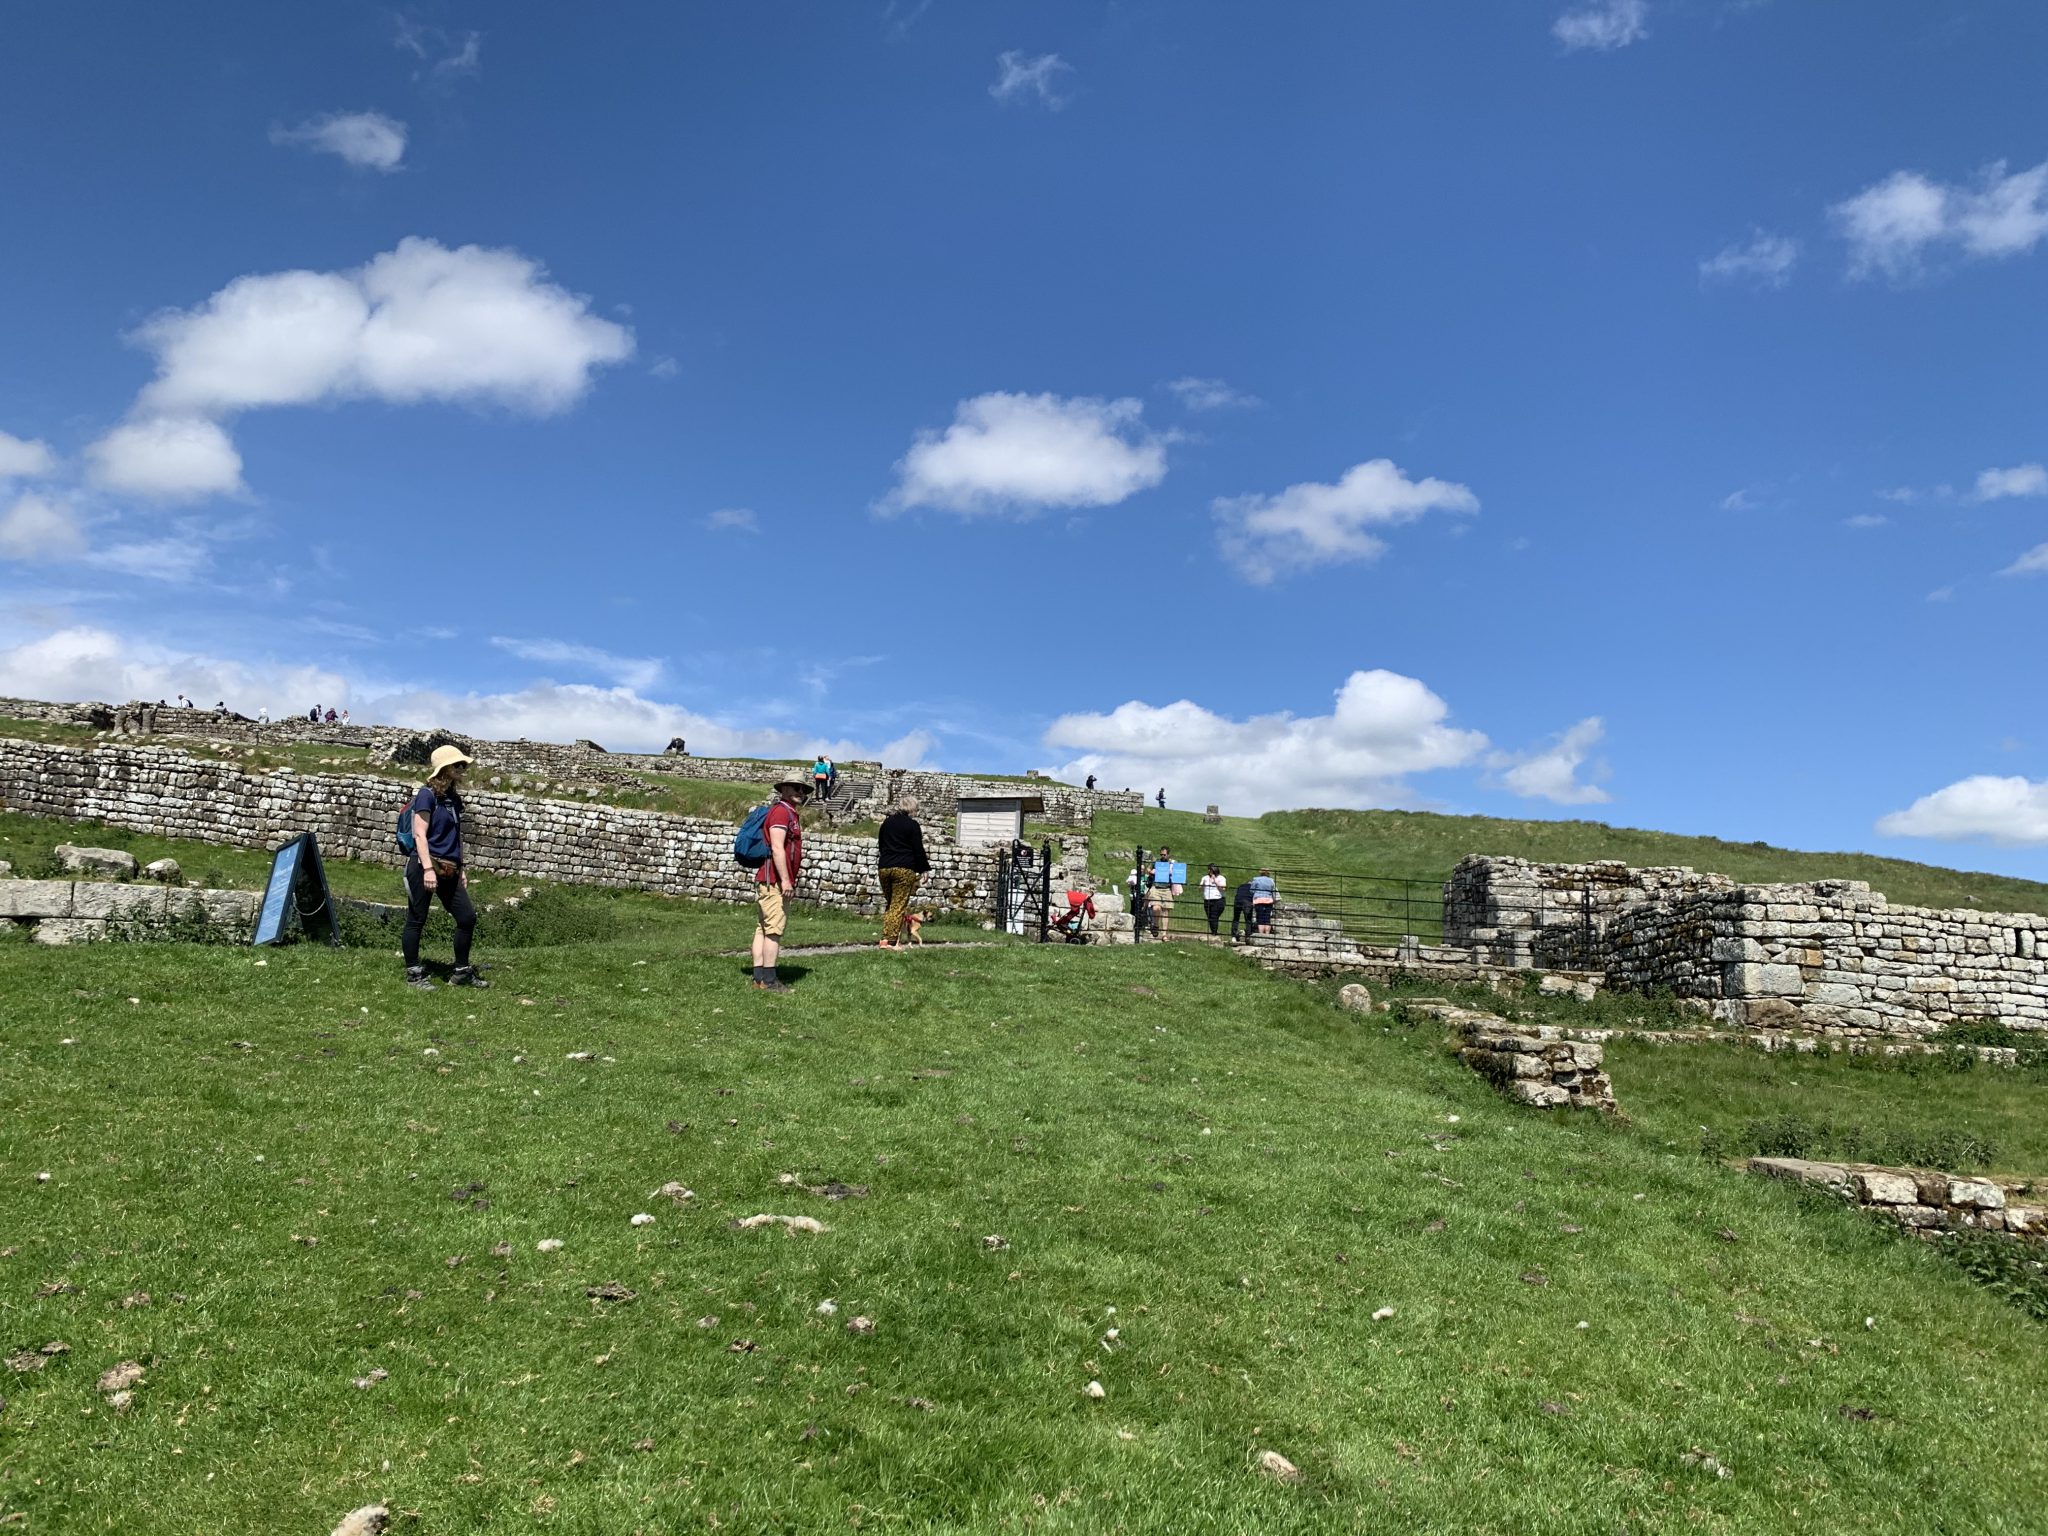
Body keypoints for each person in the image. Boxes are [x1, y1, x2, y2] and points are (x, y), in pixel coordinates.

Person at [403, 744, 488, 990]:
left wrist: (462, 868)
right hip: (426, 866)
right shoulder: (426, 795)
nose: (463, 769)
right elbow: (420, 834)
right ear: (445, 769)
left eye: (463, 765)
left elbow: (456, 835)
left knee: (467, 917)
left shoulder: (452, 798)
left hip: (450, 868)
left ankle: (461, 972)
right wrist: (428, 869)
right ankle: (414, 974)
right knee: (417, 919)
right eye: (458, 765)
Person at [751, 776, 809, 991]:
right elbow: (777, 847)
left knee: (764, 929)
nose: (800, 792)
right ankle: (769, 980)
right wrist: (786, 880)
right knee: (774, 929)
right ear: (784, 789)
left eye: (803, 789)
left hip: (769, 879)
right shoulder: (782, 812)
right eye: (796, 788)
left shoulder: (787, 812)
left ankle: (759, 977)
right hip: (773, 880)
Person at [875, 795, 930, 949]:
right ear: (912, 808)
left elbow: (881, 844)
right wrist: (924, 868)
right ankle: (891, 941)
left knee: (892, 904)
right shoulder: (912, 825)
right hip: (904, 868)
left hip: (884, 867)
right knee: (898, 906)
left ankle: (886, 939)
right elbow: (917, 849)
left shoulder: (887, 822)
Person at [1151, 845, 1182, 938]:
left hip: (1167, 888)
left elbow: (1179, 874)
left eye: (1164, 855)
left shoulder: (1173, 863)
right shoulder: (1157, 862)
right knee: (1156, 908)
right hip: (1156, 887)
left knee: (1165, 912)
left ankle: (1164, 934)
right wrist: (1151, 871)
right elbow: (1148, 869)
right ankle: (1156, 925)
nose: (1162, 856)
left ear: (1168, 854)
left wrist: (1172, 872)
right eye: (1161, 854)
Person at [1200, 863, 1228, 935]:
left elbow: (1223, 889)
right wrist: (1202, 884)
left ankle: (1214, 933)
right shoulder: (1205, 878)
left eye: (1211, 870)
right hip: (1207, 900)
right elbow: (1200, 889)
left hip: (1218, 900)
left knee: (1214, 917)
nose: (1209, 871)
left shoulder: (1221, 878)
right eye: (1209, 869)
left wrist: (1215, 880)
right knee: (1210, 917)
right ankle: (1213, 932)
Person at [1250, 868, 1278, 935]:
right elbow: (1273, 891)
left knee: (1260, 918)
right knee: (1267, 918)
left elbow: (1252, 890)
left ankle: (1261, 934)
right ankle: (1267, 934)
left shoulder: (1256, 879)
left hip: (1258, 900)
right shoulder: (1271, 881)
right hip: (1268, 900)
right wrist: (1274, 899)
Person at [1230, 877, 1255, 942]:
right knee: (1248, 920)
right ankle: (1248, 936)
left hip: (1237, 901)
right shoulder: (1253, 887)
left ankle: (1233, 936)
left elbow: (1237, 893)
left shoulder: (1241, 886)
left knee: (1236, 918)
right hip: (1247, 902)